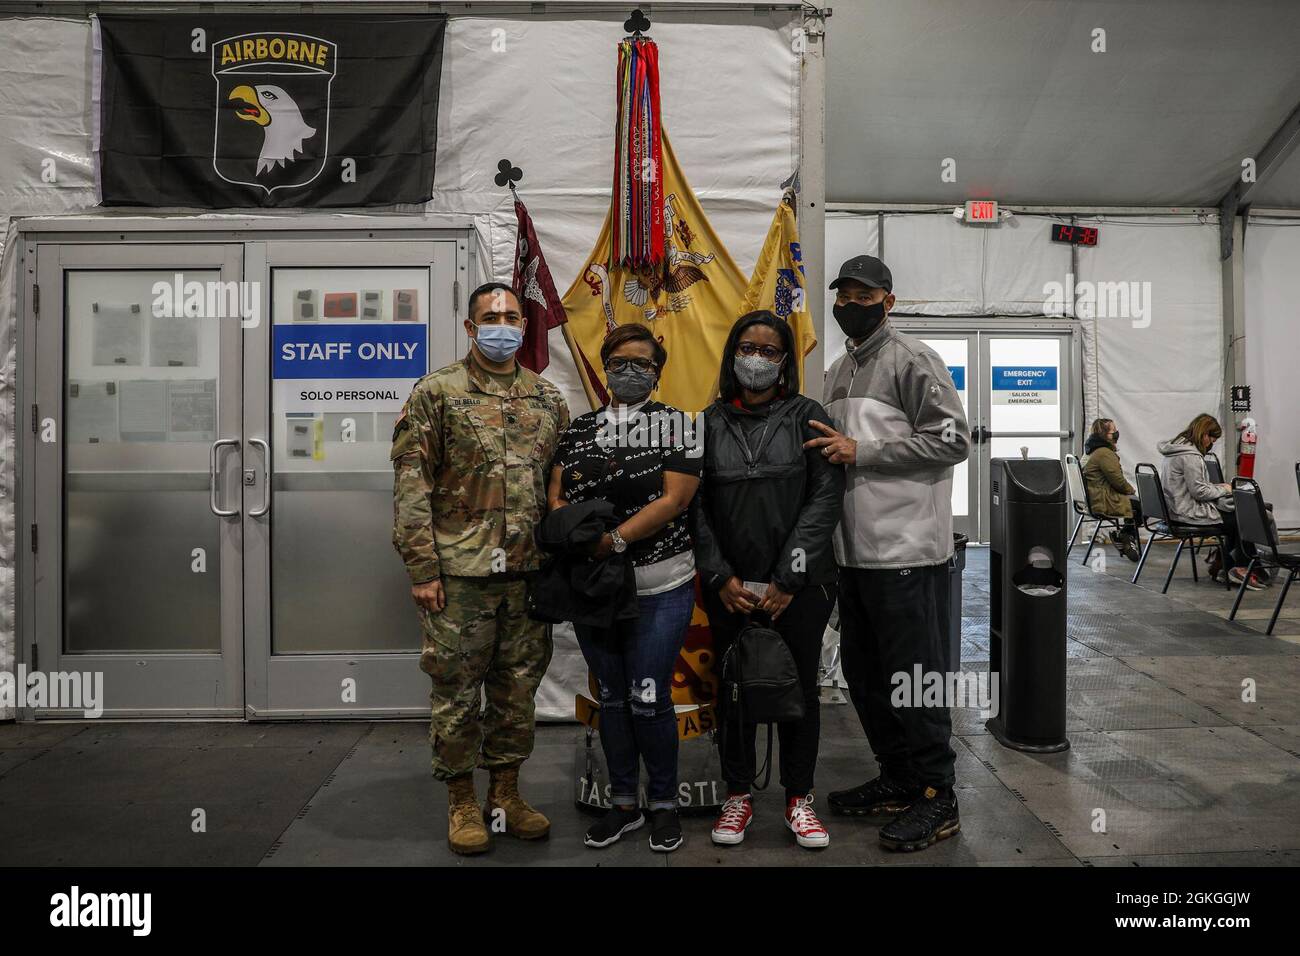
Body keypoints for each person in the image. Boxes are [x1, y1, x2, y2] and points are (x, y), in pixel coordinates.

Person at [391, 281, 570, 855]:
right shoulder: (436, 393)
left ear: (525, 325)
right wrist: (423, 570)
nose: (502, 325)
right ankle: (462, 801)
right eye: (490, 317)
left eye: (512, 316)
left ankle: (507, 794)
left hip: (527, 573)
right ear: (470, 328)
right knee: (457, 692)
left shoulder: (548, 400)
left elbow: (559, 489)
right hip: (460, 575)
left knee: (518, 690)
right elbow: (411, 487)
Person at [804, 254, 972, 852]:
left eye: (863, 294)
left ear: (888, 301)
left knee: (914, 679)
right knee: (866, 675)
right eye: (843, 293)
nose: (850, 303)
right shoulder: (835, 369)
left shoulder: (913, 359)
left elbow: (954, 440)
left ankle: (937, 796)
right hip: (853, 557)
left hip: (906, 552)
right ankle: (898, 777)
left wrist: (865, 451)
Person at [691, 311, 845, 850]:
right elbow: (696, 509)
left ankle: (799, 799)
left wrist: (788, 577)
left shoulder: (808, 416)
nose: (756, 359)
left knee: (799, 688)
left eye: (769, 351)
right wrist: (719, 576)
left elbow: (825, 498)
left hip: (800, 587)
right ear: (732, 355)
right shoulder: (706, 423)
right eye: (747, 348)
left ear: (784, 362)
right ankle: (738, 795)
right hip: (730, 586)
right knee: (734, 688)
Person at [548, 323, 702, 852]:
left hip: (661, 584)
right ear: (605, 366)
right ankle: (622, 805)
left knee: (649, 695)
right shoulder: (578, 429)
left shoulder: (680, 426)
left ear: (658, 372)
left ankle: (663, 804)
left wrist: (612, 540)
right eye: (620, 362)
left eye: (643, 363)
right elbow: (557, 495)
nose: (630, 371)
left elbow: (675, 500)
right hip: (594, 586)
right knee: (611, 695)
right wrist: (574, 533)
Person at [1157, 413, 1265, 590]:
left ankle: (1227, 567)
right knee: (1243, 519)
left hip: (1175, 510)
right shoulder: (1191, 456)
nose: (1211, 444)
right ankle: (1243, 568)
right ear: (1204, 435)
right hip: (1188, 513)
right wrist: (1225, 488)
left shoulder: (1175, 450)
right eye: (1212, 439)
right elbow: (1199, 492)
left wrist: (1216, 486)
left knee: (1234, 519)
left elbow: (1195, 487)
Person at [1082, 417, 1141, 561]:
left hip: (1092, 499)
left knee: (1135, 504)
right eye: (1113, 431)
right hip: (1102, 501)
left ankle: (1124, 537)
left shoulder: (1090, 451)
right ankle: (1125, 536)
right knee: (1142, 506)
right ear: (1104, 435)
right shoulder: (1104, 453)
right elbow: (1118, 481)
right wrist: (1131, 491)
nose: (1116, 434)